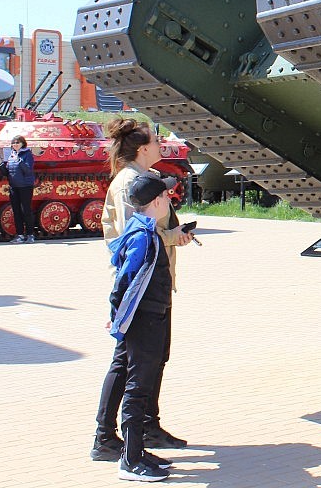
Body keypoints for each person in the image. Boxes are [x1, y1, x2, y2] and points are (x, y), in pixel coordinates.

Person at [91, 119, 190, 463]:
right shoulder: (129, 184)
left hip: (154, 283)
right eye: (156, 139)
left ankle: (145, 426)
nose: (162, 142)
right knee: (131, 364)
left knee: (150, 359)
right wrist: (174, 237)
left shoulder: (141, 179)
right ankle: (108, 437)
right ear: (143, 147)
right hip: (142, 287)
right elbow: (133, 236)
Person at [108, 173, 177, 482]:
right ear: (157, 202)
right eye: (166, 196)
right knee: (137, 389)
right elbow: (124, 278)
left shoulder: (145, 229)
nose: (169, 200)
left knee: (142, 385)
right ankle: (131, 459)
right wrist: (116, 311)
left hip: (153, 315)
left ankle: (137, 452)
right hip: (145, 319)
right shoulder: (143, 236)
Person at [0, 135, 37, 243]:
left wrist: (19, 160)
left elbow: (28, 170)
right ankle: (20, 235)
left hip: (25, 186)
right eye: (13, 142)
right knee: (16, 211)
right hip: (14, 186)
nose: (15, 144)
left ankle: (30, 235)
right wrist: (1, 165)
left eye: (17, 142)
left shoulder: (27, 154)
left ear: (22, 143)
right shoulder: (11, 154)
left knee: (26, 210)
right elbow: (7, 172)